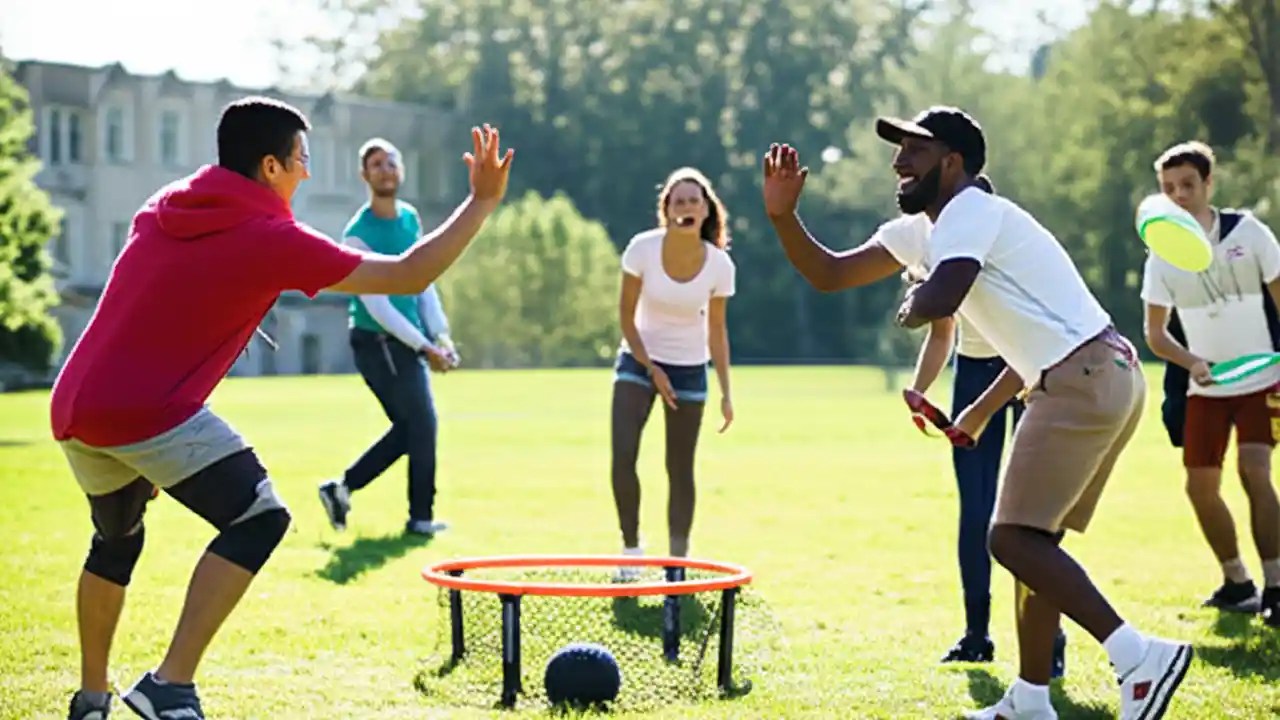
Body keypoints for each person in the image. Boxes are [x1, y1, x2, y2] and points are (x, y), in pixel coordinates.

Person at [53, 96, 512, 720]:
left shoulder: (164, 205)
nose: (307, 172)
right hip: (144, 412)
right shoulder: (272, 237)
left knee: (115, 543)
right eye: (301, 158)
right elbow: (408, 273)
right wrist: (481, 201)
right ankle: (169, 685)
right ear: (270, 166)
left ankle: (90, 696)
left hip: (78, 405)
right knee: (260, 516)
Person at [762, 106, 1191, 719]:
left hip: (1081, 378)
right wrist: (783, 218)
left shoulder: (970, 211)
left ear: (952, 161)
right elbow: (831, 274)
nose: (898, 161)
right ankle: (1032, 700)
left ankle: (1138, 656)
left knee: (1012, 539)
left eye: (914, 148)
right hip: (1095, 374)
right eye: (898, 148)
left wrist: (912, 304)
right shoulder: (926, 229)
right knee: (1033, 544)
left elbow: (944, 293)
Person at [1141, 140, 1280, 626]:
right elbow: (1155, 335)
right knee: (1199, 488)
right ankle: (1237, 582)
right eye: (1167, 189)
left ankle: (1277, 586)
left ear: (1208, 184)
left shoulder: (1250, 233)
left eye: (1187, 185)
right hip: (1205, 388)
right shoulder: (1160, 255)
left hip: (1265, 380)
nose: (1178, 196)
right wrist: (1191, 361)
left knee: (1253, 471)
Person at [318, 138, 460, 537]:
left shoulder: (410, 219)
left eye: (392, 162)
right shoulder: (357, 235)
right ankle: (420, 519)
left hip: (409, 340)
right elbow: (379, 306)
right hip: (377, 341)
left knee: (411, 428)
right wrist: (425, 346)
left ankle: (341, 488)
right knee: (422, 425)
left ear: (402, 170)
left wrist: (441, 335)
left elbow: (423, 282)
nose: (386, 169)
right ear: (365, 175)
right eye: (376, 164)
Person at [610, 167, 735, 579]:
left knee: (679, 468)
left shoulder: (718, 265)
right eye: (678, 201)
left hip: (688, 368)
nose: (686, 207)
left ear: (705, 211)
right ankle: (631, 551)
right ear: (666, 210)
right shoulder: (642, 250)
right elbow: (626, 317)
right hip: (637, 359)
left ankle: (676, 564)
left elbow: (716, 331)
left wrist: (726, 392)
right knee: (623, 455)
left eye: (693, 201)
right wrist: (650, 367)